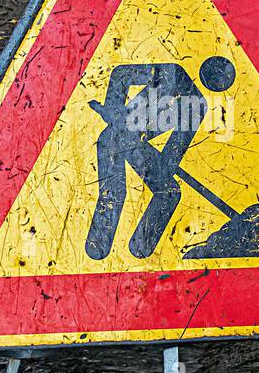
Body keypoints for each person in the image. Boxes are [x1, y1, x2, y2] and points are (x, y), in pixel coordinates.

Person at [85, 56, 236, 260]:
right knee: (116, 192)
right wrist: (115, 108)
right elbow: (121, 74)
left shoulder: (198, 105)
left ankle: (138, 249)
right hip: (114, 138)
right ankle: (99, 249)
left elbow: (175, 149)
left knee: (167, 193)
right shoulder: (173, 73)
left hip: (130, 144)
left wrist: (166, 165)